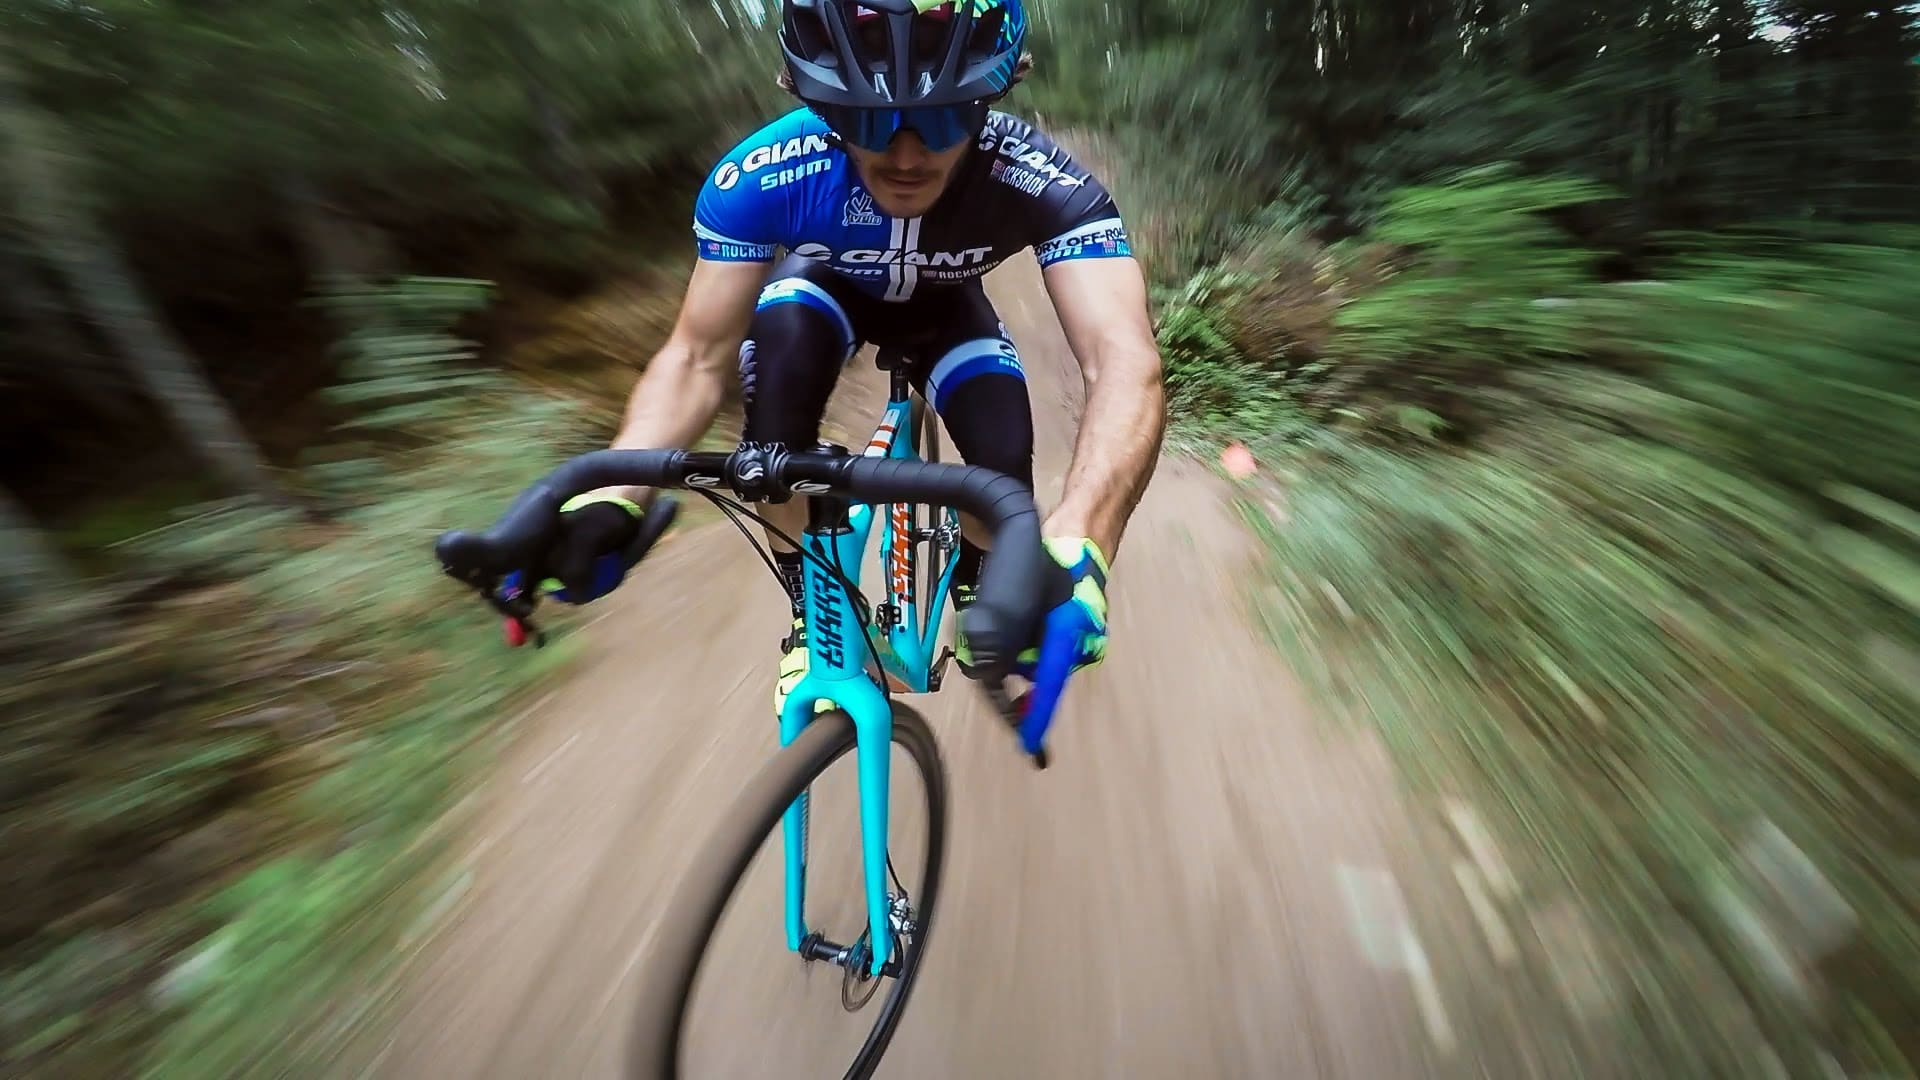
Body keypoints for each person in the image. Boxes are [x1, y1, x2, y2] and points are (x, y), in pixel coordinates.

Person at [530, 0, 1166, 719]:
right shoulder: (763, 174)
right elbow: (694, 359)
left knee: (1003, 473)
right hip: (822, 295)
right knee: (772, 436)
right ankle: (815, 609)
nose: (904, 155)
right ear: (821, 105)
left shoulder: (1040, 178)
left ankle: (980, 575)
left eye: (945, 118)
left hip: (949, 311)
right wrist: (616, 492)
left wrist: (1081, 540)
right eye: (866, 121)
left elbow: (1123, 360)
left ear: (993, 95)